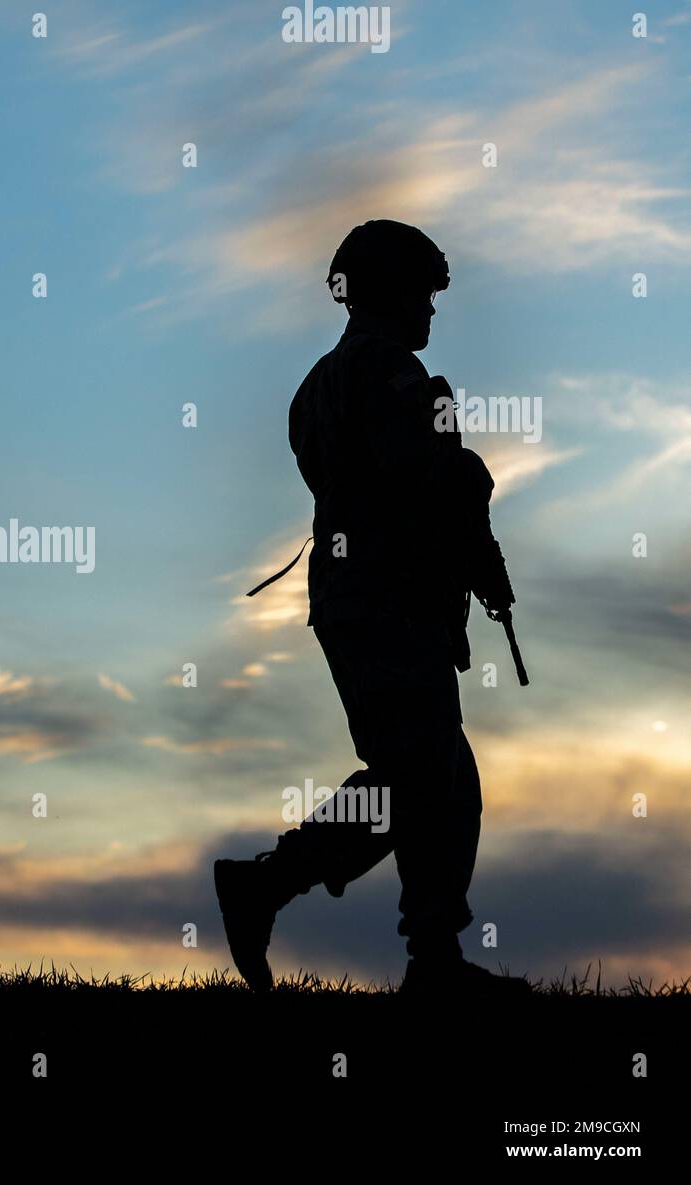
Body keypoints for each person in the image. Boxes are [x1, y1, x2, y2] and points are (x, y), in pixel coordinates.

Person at [214, 219, 530, 997]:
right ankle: (281, 889)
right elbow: (421, 484)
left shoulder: (321, 382)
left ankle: (427, 953)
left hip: (362, 598)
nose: (431, 308)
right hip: (386, 599)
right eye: (421, 291)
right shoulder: (390, 375)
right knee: (423, 773)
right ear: (389, 290)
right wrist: (469, 480)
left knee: (432, 774)